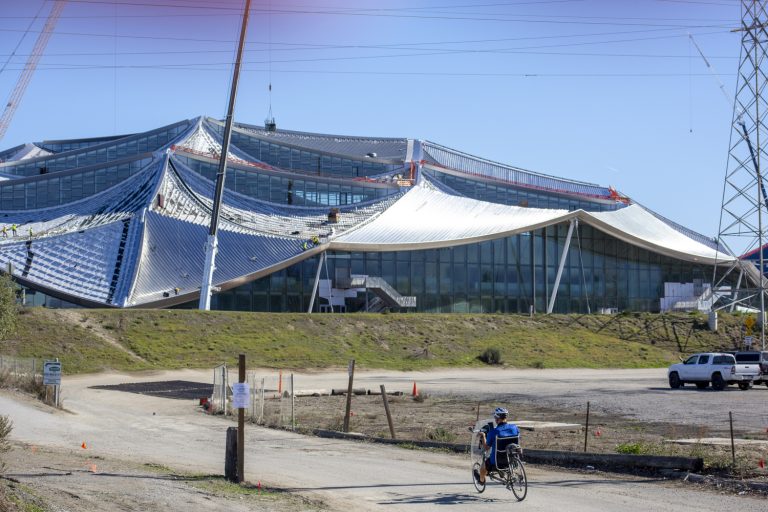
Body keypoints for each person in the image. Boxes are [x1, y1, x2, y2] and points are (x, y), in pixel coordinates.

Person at [474, 407, 520, 485]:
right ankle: (504, 471)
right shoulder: (514, 428)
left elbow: (487, 447)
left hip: (497, 461)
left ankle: (481, 481)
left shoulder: (493, 432)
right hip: (512, 458)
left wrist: (483, 436)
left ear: (496, 418)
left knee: (483, 467)